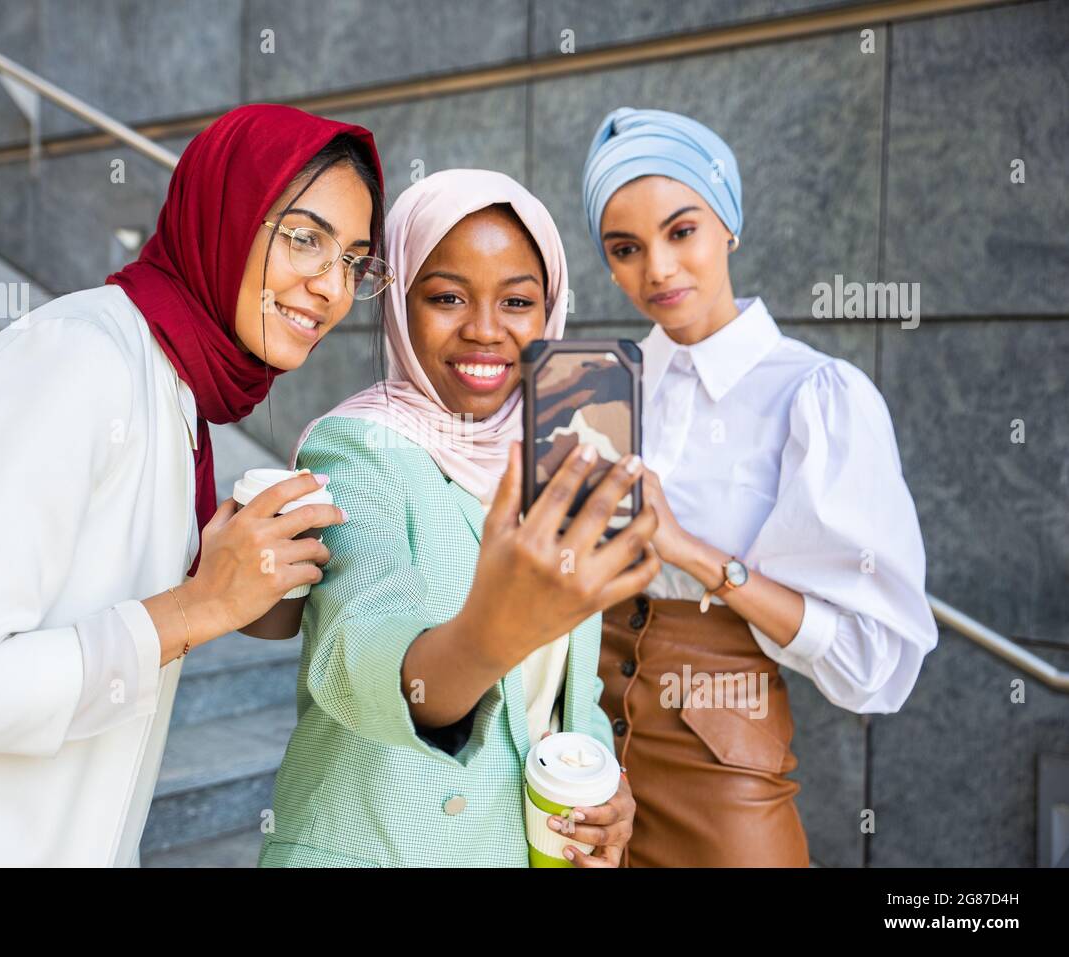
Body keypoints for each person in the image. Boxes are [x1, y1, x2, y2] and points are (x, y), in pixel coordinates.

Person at [0, 104, 388, 866]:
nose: (330, 286)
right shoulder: (77, 360)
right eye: (305, 238)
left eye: (355, 260)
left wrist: (215, 579)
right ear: (227, 213)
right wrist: (196, 606)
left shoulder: (181, 399)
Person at [260, 169, 658, 868]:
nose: (484, 330)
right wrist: (499, 628)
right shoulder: (358, 447)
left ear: (551, 310)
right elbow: (359, 661)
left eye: (517, 301)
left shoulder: (560, 453)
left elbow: (570, 688)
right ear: (399, 304)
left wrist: (601, 782)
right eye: (446, 297)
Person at [581, 107, 938, 866]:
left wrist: (695, 554)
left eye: (683, 232)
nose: (659, 270)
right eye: (626, 248)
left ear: (729, 225)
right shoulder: (596, 387)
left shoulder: (816, 395)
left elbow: (870, 664)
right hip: (578, 752)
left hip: (719, 761)